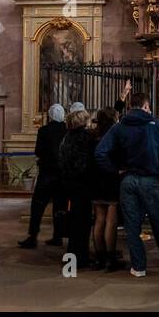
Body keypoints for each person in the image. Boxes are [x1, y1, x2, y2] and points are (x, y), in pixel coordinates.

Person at [95, 92, 159, 277]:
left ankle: (138, 267)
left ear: (130, 106)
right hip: (150, 178)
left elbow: (100, 153)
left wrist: (115, 170)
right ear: (146, 106)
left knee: (132, 225)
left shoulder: (119, 126)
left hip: (127, 179)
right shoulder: (155, 125)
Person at [19, 103, 67, 249]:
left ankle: (32, 237)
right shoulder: (67, 130)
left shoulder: (44, 130)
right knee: (60, 206)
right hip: (62, 175)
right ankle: (58, 236)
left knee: (38, 205)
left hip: (47, 173)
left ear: (50, 116)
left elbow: (38, 151)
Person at [59, 109, 95, 268]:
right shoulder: (85, 137)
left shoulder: (67, 137)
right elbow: (87, 162)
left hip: (69, 183)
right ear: (83, 121)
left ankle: (73, 255)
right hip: (84, 184)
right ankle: (81, 257)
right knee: (83, 222)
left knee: (75, 221)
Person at [90, 108, 125, 272]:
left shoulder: (92, 134)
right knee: (111, 220)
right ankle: (110, 258)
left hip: (96, 179)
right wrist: (116, 170)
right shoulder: (114, 135)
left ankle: (99, 257)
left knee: (98, 219)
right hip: (110, 179)